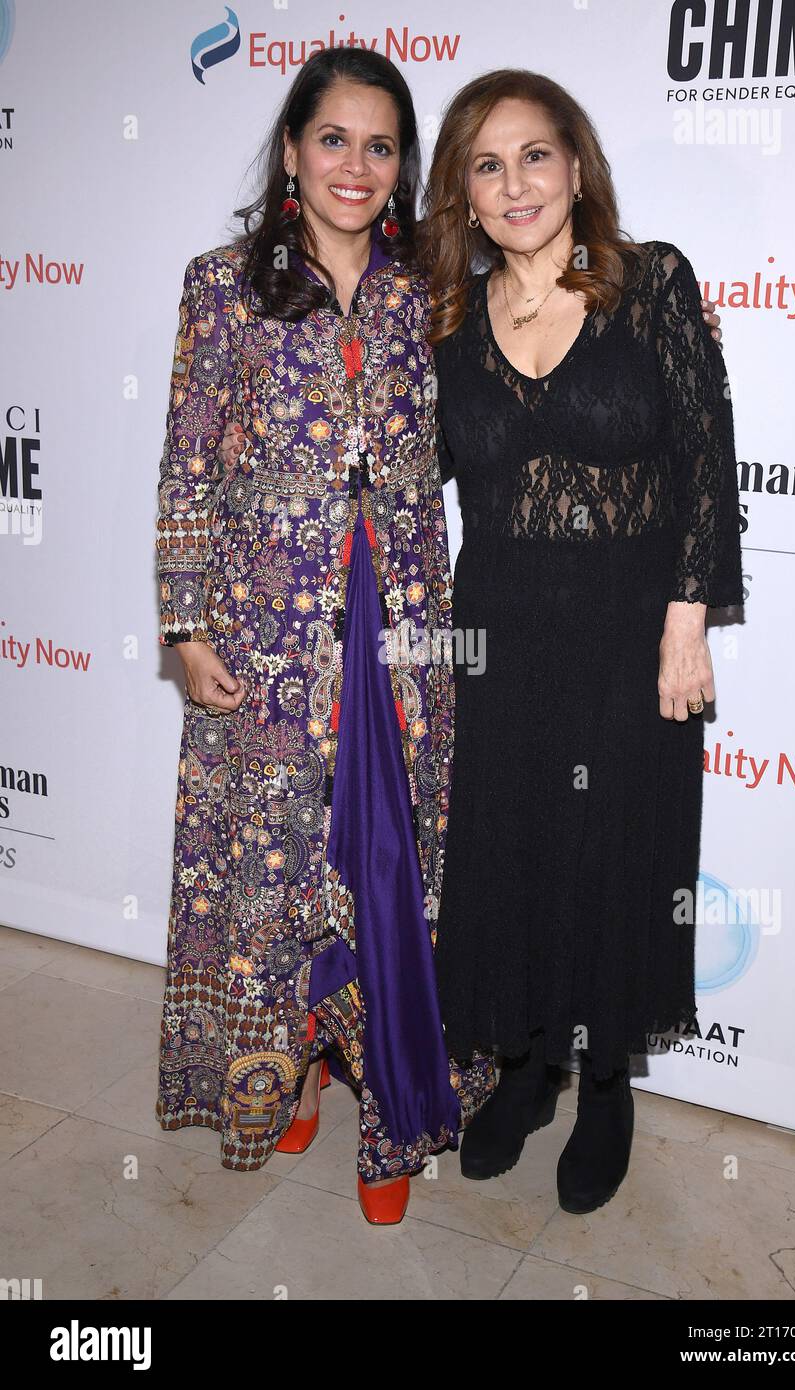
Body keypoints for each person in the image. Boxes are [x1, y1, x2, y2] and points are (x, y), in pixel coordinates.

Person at [153, 46, 494, 1226]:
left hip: (400, 625)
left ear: (404, 167)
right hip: (270, 625)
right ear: (294, 150)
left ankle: (391, 1104)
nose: (357, 164)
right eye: (334, 138)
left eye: (382, 144)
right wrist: (183, 619)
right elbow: (190, 457)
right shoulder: (220, 284)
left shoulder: (430, 290)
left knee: (390, 864)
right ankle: (289, 1061)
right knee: (275, 867)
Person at [418, 69, 744, 1214]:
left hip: (629, 623)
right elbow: (415, 484)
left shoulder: (649, 281)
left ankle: (605, 1082)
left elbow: (708, 456)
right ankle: (525, 1068)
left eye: (535, 155)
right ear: (462, 189)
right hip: (498, 624)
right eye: (488, 164)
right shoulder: (447, 317)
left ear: (576, 165)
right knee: (509, 846)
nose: (515, 184)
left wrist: (686, 623)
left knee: (614, 851)